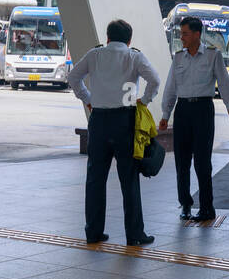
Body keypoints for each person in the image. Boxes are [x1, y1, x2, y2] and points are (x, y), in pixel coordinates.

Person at [67, 19, 160, 246]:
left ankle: (94, 232)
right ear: (129, 40)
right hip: (124, 121)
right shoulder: (134, 56)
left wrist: (88, 100)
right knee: (129, 179)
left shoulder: (94, 55)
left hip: (98, 121)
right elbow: (154, 80)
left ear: (107, 37)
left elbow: (73, 78)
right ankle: (135, 235)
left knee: (95, 178)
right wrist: (144, 101)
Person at [159, 16, 229, 221]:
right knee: (181, 161)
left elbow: (224, 82)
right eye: (181, 33)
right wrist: (166, 114)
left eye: (185, 33)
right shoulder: (178, 58)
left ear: (196, 34)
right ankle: (185, 204)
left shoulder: (213, 55)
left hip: (203, 109)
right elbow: (170, 88)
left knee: (203, 161)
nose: (181, 37)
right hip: (183, 110)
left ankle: (207, 208)